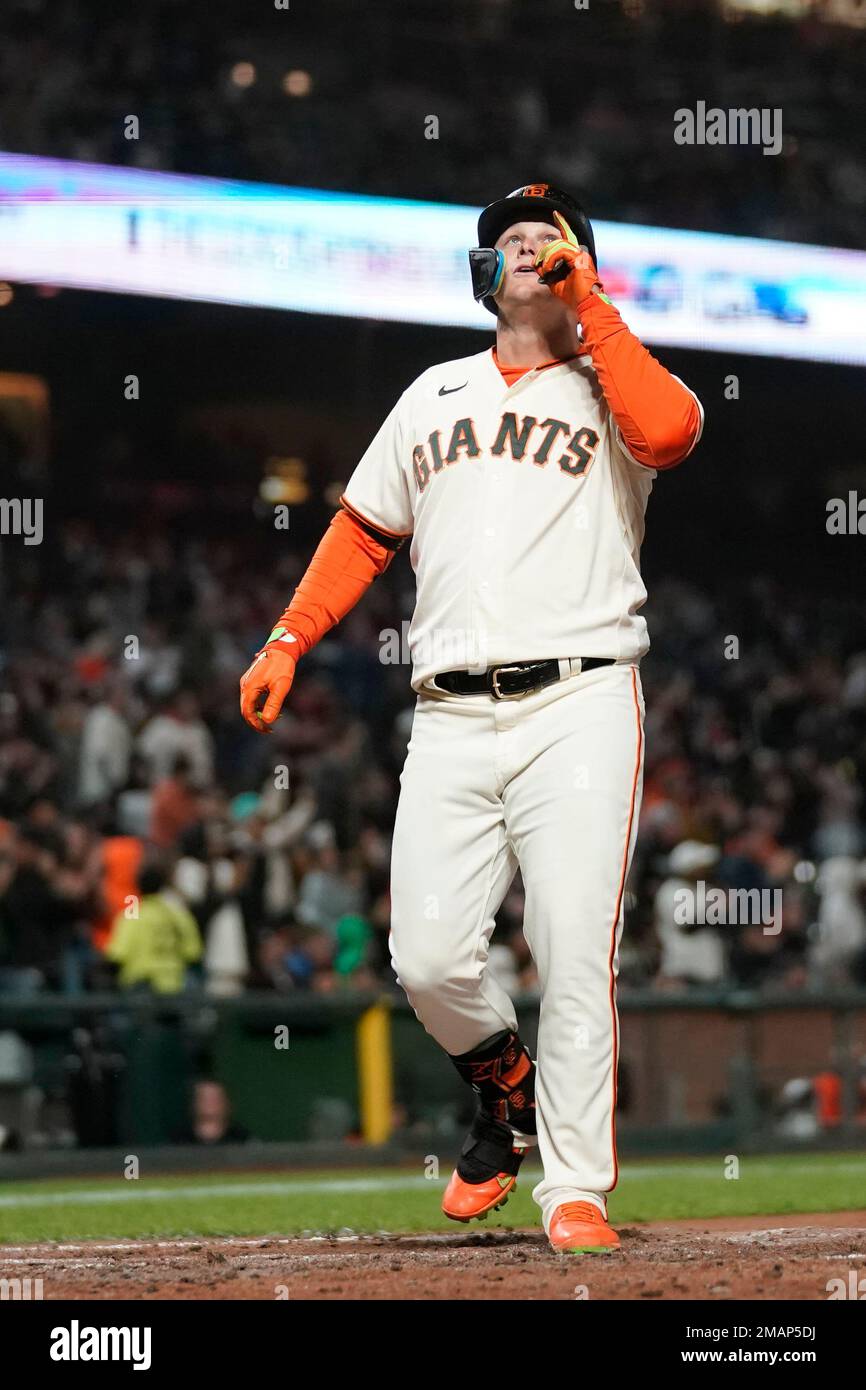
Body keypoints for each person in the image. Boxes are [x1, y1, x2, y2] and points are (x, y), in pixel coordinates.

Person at [240, 184, 703, 1254]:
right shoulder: (431, 392)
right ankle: (503, 1083)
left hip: (582, 695)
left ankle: (574, 1189)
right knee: (428, 955)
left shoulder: (612, 383)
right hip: (448, 712)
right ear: (481, 271)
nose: (528, 249)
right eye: (510, 240)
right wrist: (286, 638)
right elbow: (361, 529)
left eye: (552, 241)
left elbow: (671, 432)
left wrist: (595, 306)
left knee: (570, 948)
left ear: (581, 268)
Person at [105, 862, 203, 994]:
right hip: (175, 984)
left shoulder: (132, 914)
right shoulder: (176, 912)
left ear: (138, 886)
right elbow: (193, 951)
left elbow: (118, 953)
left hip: (142, 984)